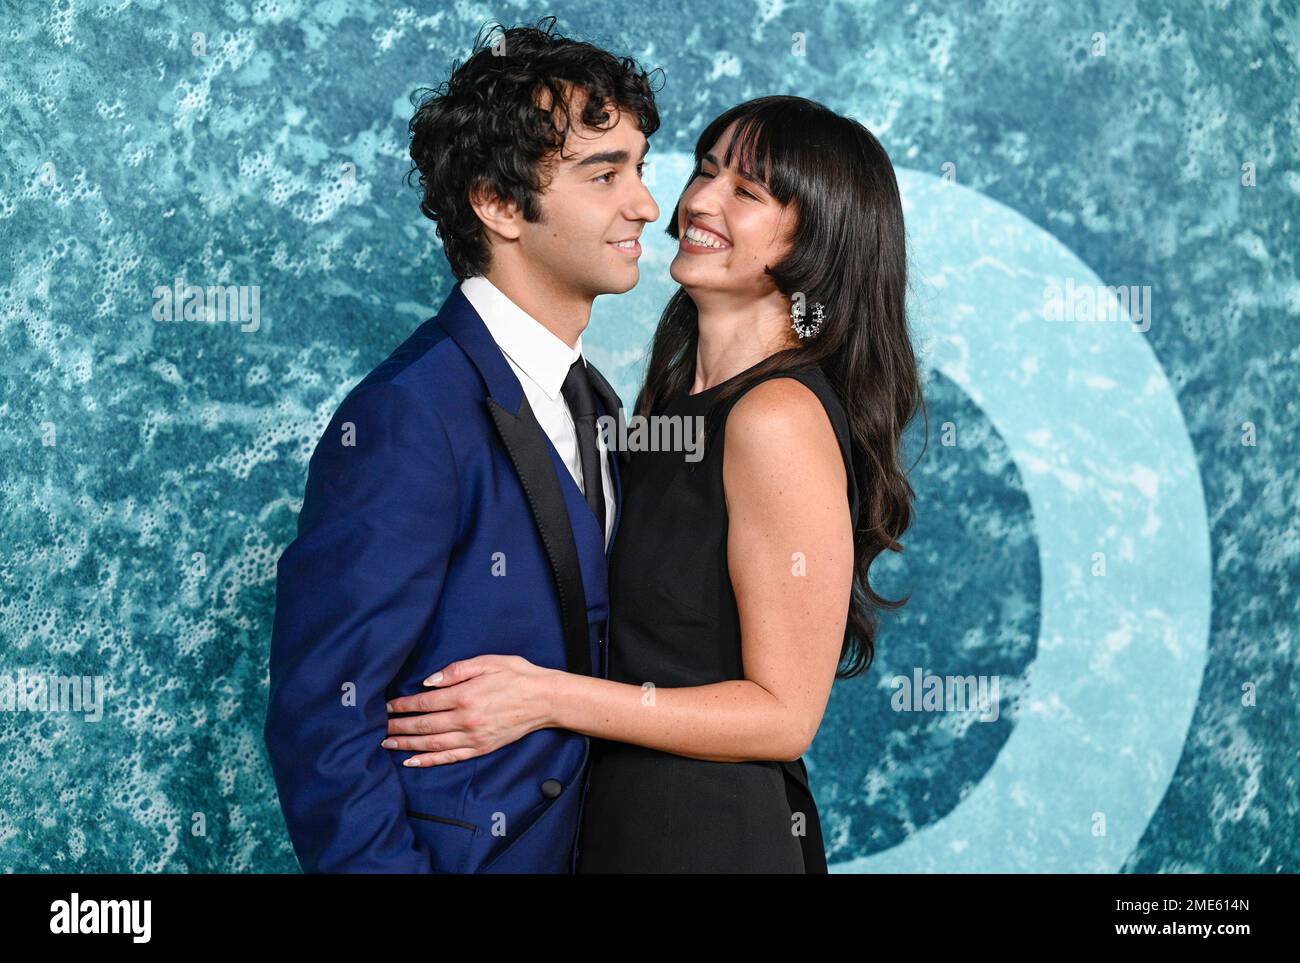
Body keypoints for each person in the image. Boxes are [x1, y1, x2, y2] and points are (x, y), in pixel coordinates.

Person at [383, 95, 925, 872]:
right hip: (622, 828)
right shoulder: (663, 405)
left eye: (748, 191)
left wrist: (545, 695)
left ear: (818, 239)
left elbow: (783, 717)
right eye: (707, 170)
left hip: (709, 837)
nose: (699, 199)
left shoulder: (776, 416)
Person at [263, 17, 661, 873]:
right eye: (605, 174)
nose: (646, 205)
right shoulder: (409, 413)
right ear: (497, 203)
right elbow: (323, 719)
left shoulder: (596, 401)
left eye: (640, 168)